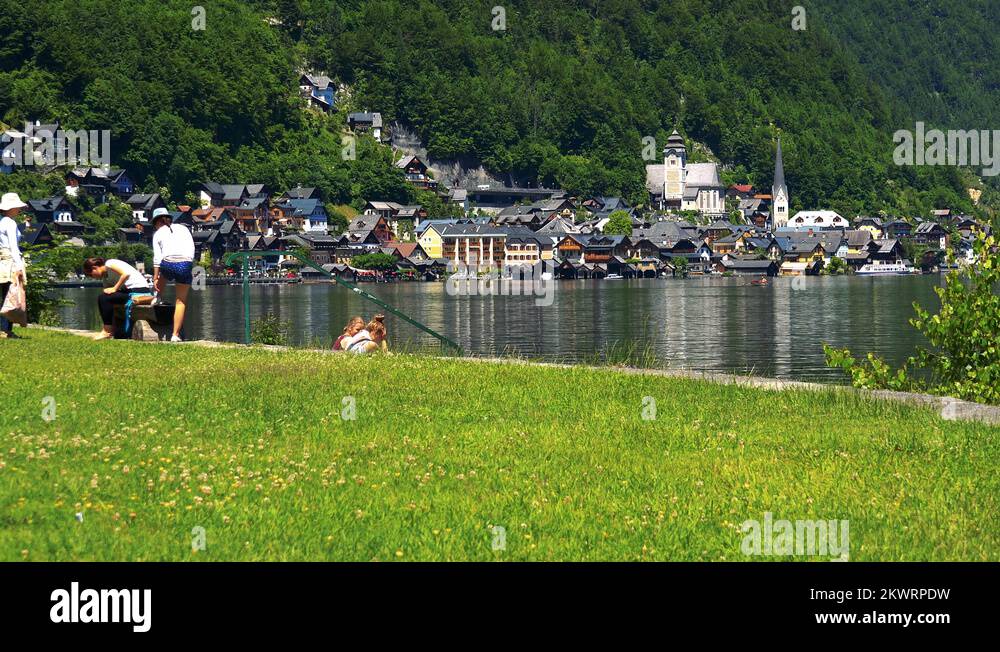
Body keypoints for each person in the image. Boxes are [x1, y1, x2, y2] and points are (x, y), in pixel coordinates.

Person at [150, 208, 195, 342]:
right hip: (184, 264)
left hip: (167, 263)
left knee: (163, 274)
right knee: (180, 302)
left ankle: (157, 296)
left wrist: (155, 278)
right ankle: (175, 335)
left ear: (157, 223)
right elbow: (191, 247)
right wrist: (188, 263)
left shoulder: (158, 233)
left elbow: (157, 258)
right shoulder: (184, 228)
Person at [83, 257, 151, 340]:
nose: (92, 277)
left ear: (95, 268)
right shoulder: (105, 278)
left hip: (138, 290)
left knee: (104, 298)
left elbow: (125, 274)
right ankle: (111, 329)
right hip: (128, 291)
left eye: (90, 274)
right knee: (104, 298)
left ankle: (107, 331)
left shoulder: (109, 263)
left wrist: (114, 288)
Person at [0, 192, 27, 339]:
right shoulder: (10, 223)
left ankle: (4, 329)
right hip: (10, 261)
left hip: (1, 260)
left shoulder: (1, 222)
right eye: (17, 207)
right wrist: (18, 267)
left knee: (3, 295)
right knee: (9, 296)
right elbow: (13, 247)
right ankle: (5, 329)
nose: (19, 209)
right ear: (10, 208)